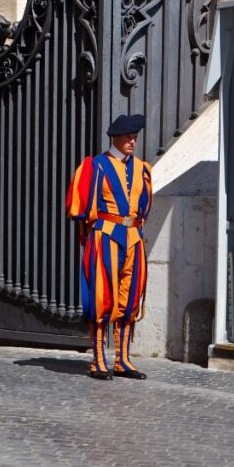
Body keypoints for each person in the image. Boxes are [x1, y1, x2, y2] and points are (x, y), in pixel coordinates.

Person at [65, 114, 153, 380]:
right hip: (105, 236)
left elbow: (145, 206)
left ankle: (122, 360)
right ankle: (98, 360)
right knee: (102, 298)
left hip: (134, 238)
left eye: (135, 137)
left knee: (130, 297)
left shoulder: (142, 168)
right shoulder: (95, 166)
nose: (132, 142)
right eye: (128, 137)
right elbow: (78, 208)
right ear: (115, 137)